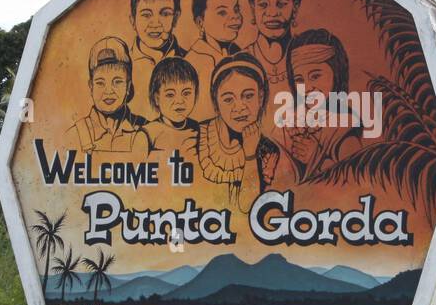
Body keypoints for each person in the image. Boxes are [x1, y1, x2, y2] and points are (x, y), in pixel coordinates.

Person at [196, 53, 294, 212]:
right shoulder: (198, 137)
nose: (240, 107)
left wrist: (250, 154)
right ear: (216, 102)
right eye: (228, 99)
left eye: (248, 96)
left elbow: (249, 208)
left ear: (261, 97)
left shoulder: (269, 151)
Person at [282, 28, 364, 181]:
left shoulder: (344, 127)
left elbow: (355, 180)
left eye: (315, 76)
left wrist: (317, 158)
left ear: (336, 73)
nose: (307, 87)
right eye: (299, 80)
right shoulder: (291, 120)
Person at [67, 36, 149, 160]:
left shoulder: (146, 130)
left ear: (128, 86)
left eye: (117, 82)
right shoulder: (75, 135)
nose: (109, 91)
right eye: (100, 83)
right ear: (91, 86)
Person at [242, 0, 304, 95]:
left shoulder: (306, 56)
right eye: (263, 4)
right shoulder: (243, 61)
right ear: (252, 8)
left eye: (281, 4)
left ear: (295, 8)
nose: (272, 13)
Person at [184, 0, 244, 116]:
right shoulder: (193, 65)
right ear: (200, 22)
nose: (234, 17)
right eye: (222, 12)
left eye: (236, 9)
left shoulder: (240, 55)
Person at [128, 0, 186, 119]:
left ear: (176, 17)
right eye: (146, 15)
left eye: (165, 14)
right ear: (133, 20)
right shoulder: (123, 67)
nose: (155, 24)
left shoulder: (191, 61)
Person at [143, 56, 200, 165]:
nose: (179, 101)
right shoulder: (149, 133)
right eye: (170, 95)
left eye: (186, 93)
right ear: (157, 98)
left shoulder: (197, 128)